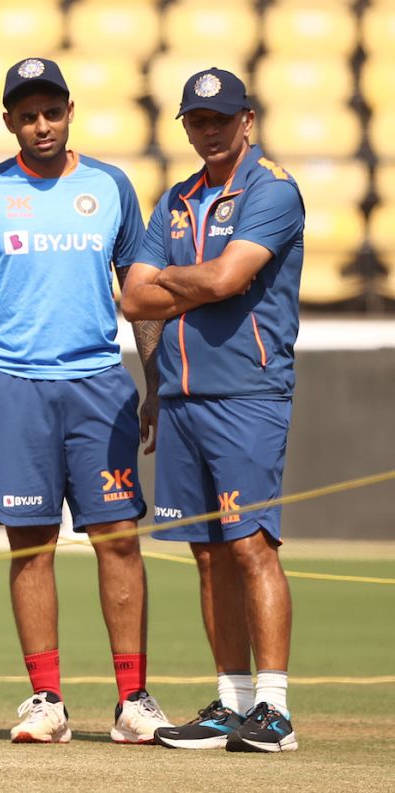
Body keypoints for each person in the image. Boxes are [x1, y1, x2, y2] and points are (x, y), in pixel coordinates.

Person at [0, 57, 172, 744]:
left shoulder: (110, 186)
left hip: (99, 385)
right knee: (30, 543)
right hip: (12, 386)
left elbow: (142, 293)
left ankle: (133, 700)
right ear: (10, 121)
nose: (42, 124)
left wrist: (154, 383)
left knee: (118, 540)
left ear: (70, 113)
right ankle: (46, 700)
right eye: (27, 114)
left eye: (52, 111)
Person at [120, 68, 304, 754]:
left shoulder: (272, 189)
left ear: (247, 120)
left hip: (247, 394)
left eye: (221, 117)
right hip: (182, 399)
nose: (209, 129)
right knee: (206, 553)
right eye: (197, 120)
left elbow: (230, 277)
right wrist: (193, 284)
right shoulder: (176, 197)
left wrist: (174, 281)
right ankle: (230, 702)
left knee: (251, 544)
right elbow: (134, 299)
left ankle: (274, 708)